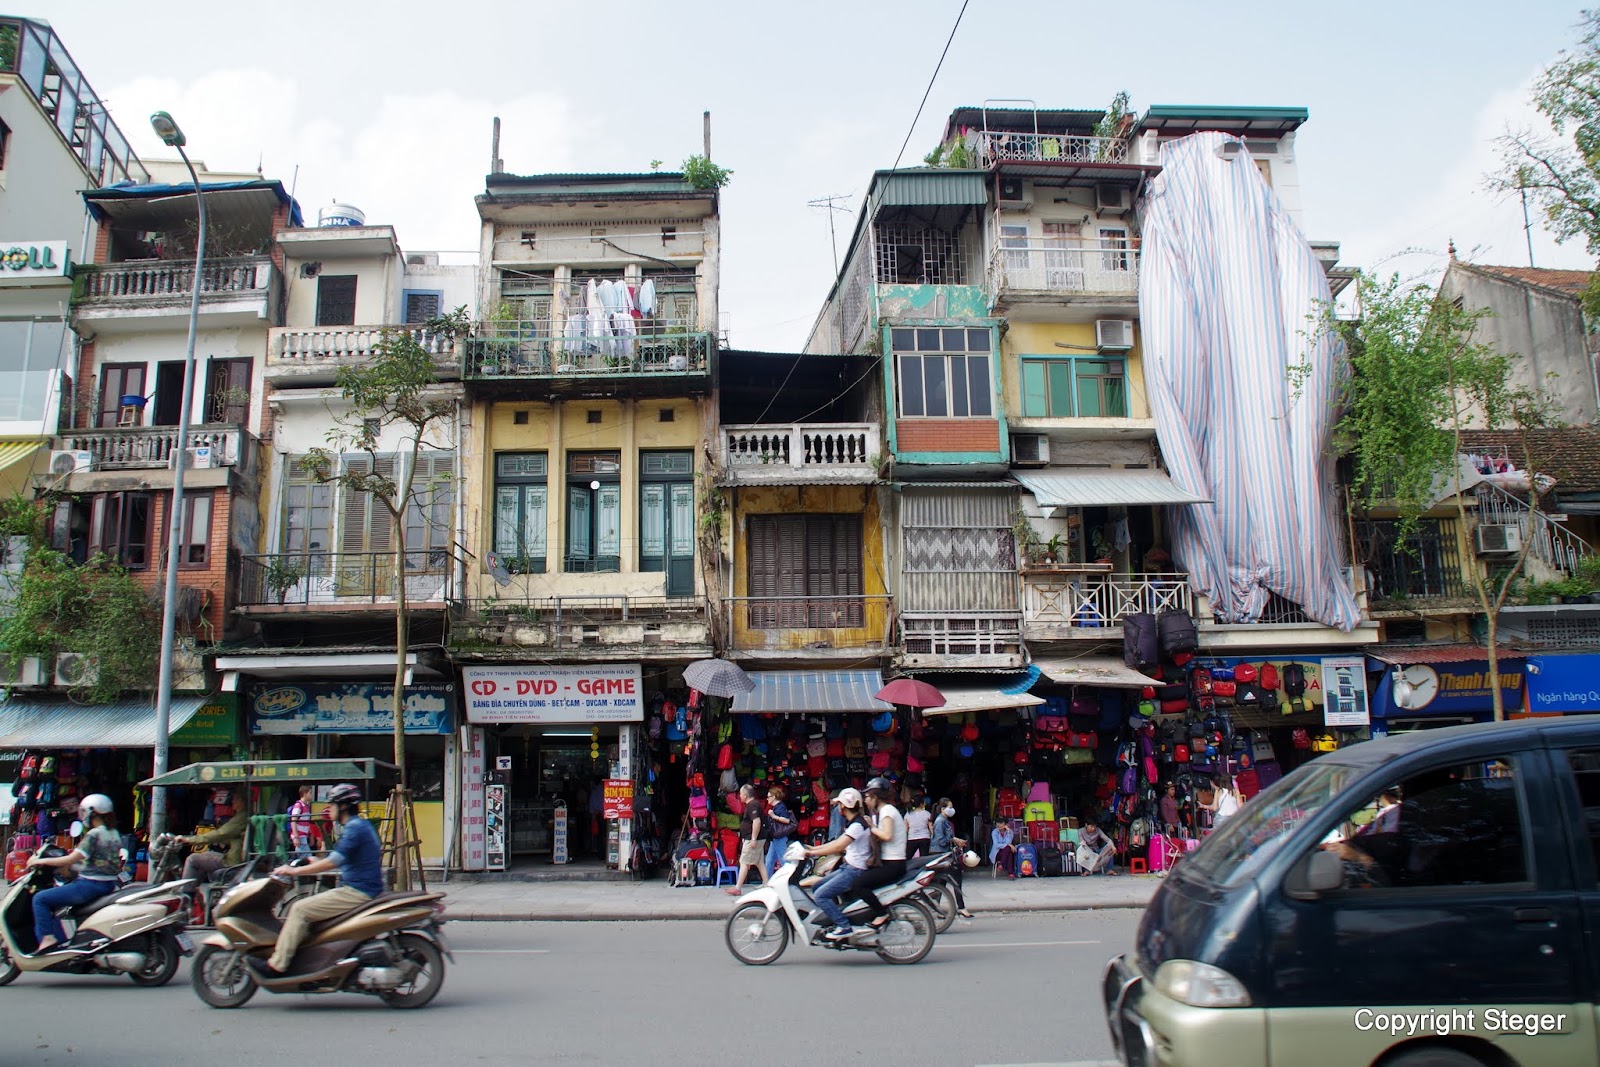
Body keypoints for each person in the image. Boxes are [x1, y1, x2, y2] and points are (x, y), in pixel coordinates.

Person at [249, 783, 383, 976]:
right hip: (360, 888)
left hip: (357, 892)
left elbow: (333, 863)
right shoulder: (359, 826)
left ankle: (277, 965)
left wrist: (292, 872)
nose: (329, 810)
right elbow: (339, 859)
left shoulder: (354, 828)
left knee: (299, 909)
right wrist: (313, 860)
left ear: (343, 806)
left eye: (333, 805)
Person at [28, 794, 123, 953]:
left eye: (85, 812)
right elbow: (98, 862)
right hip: (108, 884)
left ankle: (48, 939)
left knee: (40, 898)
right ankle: (61, 941)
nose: (83, 815)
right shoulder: (113, 833)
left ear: (93, 812)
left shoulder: (94, 834)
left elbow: (70, 859)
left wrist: (40, 862)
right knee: (55, 899)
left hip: (90, 886)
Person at [804, 787, 872, 941]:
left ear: (844, 806)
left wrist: (812, 853)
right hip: (847, 867)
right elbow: (837, 843)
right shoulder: (853, 823)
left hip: (854, 870)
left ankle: (844, 926)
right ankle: (834, 917)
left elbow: (838, 846)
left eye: (839, 804)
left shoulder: (857, 825)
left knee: (820, 896)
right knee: (816, 887)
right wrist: (813, 848)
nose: (838, 807)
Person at [855, 777, 907, 931]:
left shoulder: (887, 811)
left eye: (867, 797)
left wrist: (871, 827)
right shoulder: (883, 812)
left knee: (858, 885)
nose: (865, 801)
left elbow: (887, 835)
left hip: (893, 864)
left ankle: (881, 913)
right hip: (889, 862)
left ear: (876, 797)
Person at [182, 803, 251, 884]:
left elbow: (221, 833)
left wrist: (190, 840)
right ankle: (197, 890)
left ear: (241, 801)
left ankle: (187, 893)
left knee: (192, 859)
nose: (232, 801)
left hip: (233, 861)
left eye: (235, 799)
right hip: (232, 855)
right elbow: (227, 837)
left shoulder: (242, 817)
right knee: (206, 854)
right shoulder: (241, 816)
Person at [930, 797, 974, 919]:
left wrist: (956, 841)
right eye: (950, 807)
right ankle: (960, 907)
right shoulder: (940, 821)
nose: (952, 809)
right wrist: (954, 840)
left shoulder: (944, 821)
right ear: (943, 809)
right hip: (942, 855)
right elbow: (940, 840)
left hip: (945, 854)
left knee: (942, 882)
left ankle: (936, 907)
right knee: (955, 880)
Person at [727, 784, 768, 896]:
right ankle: (766, 884)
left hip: (753, 839)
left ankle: (738, 888)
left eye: (740, 793)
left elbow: (757, 821)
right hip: (756, 838)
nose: (739, 796)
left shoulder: (752, 805)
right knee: (759, 862)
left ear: (745, 795)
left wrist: (753, 838)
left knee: (744, 862)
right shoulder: (753, 804)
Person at [763, 784, 797, 877]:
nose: (767, 799)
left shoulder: (780, 807)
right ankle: (767, 882)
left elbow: (787, 820)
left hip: (780, 837)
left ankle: (790, 879)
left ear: (774, 797)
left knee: (783, 859)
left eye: (768, 797)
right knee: (769, 860)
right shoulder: (776, 807)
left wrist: (774, 816)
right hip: (776, 836)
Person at [288, 784, 315, 859]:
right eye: (310, 793)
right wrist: (296, 837)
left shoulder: (305, 806)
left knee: (305, 857)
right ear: (304, 794)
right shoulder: (299, 805)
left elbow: (306, 822)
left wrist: (310, 835)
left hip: (303, 836)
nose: (311, 795)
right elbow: (293, 820)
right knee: (307, 858)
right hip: (300, 836)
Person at [904, 796, 933, 861]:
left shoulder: (908, 814)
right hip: (925, 838)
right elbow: (931, 828)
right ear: (921, 804)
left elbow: (905, 829)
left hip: (912, 838)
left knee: (907, 858)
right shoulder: (927, 813)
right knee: (924, 859)